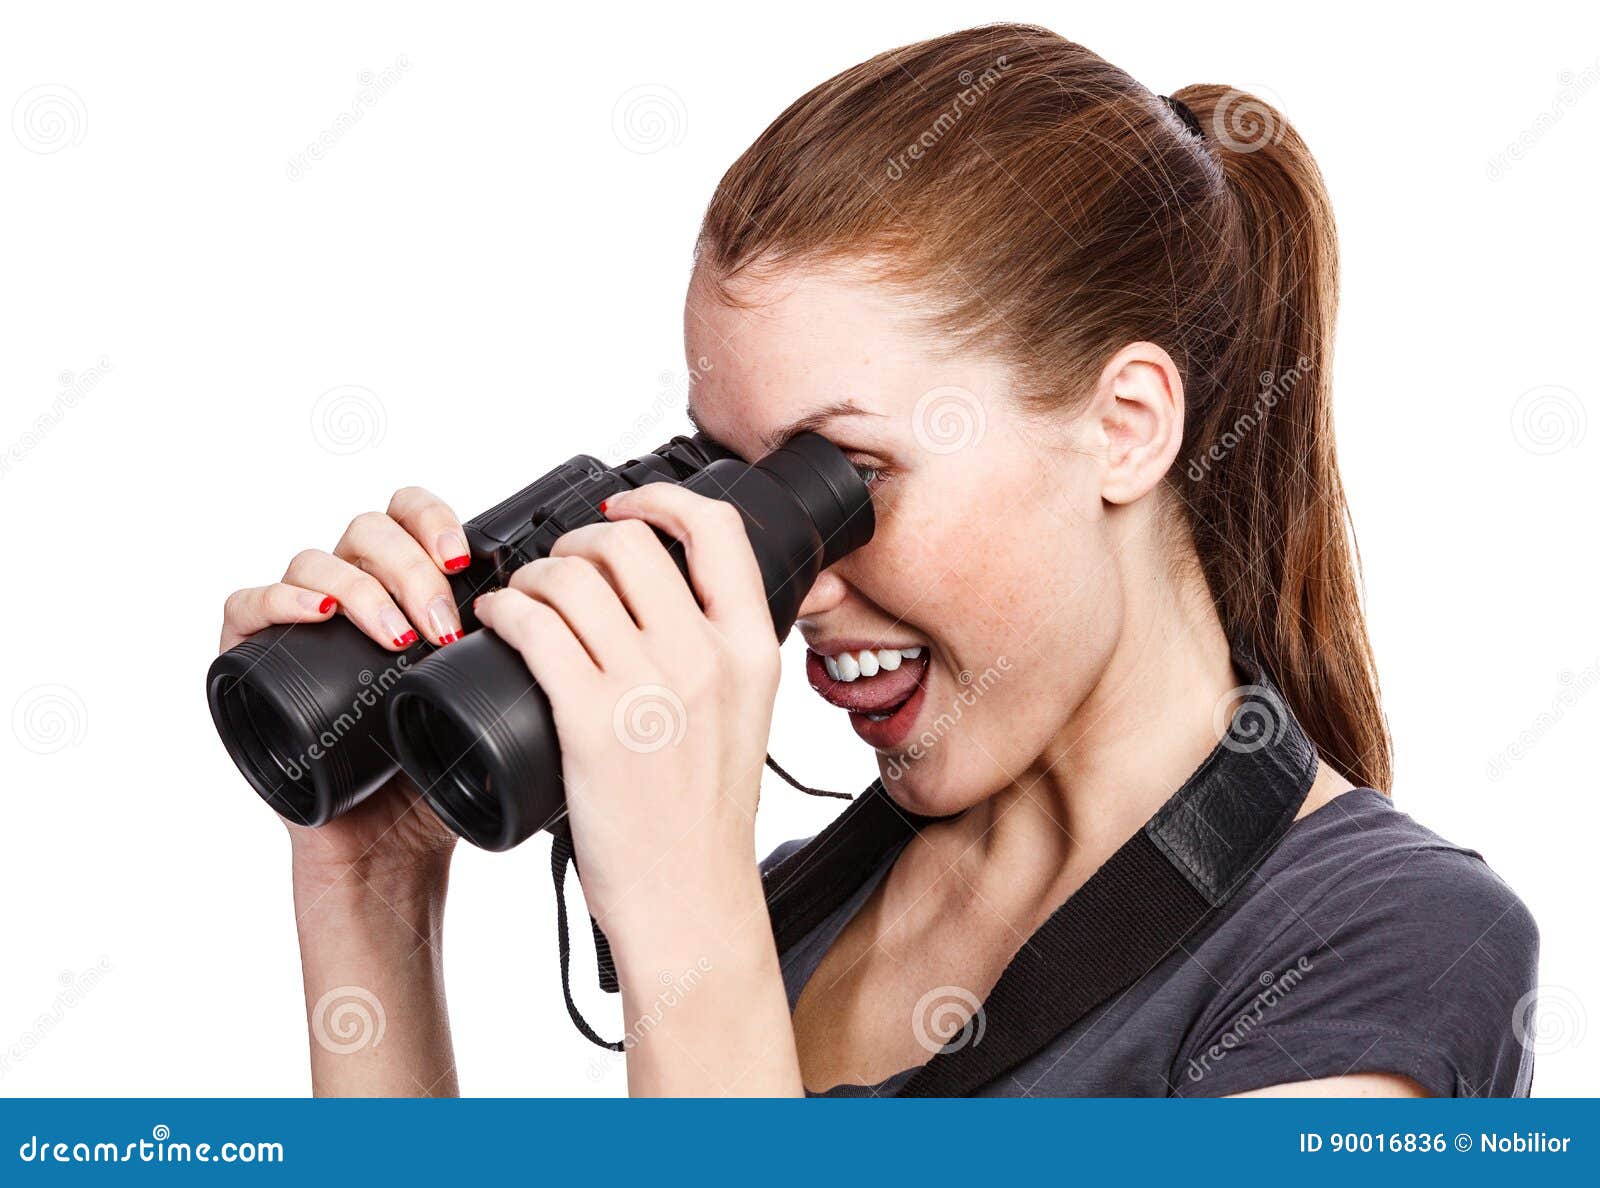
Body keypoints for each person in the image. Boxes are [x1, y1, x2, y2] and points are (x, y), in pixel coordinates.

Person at [218, 23, 1537, 1097]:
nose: (790, 587)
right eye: (730, 482)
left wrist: (690, 942)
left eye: (841, 483)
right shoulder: (813, 904)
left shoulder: (1385, 960)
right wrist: (368, 883)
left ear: (1124, 428)